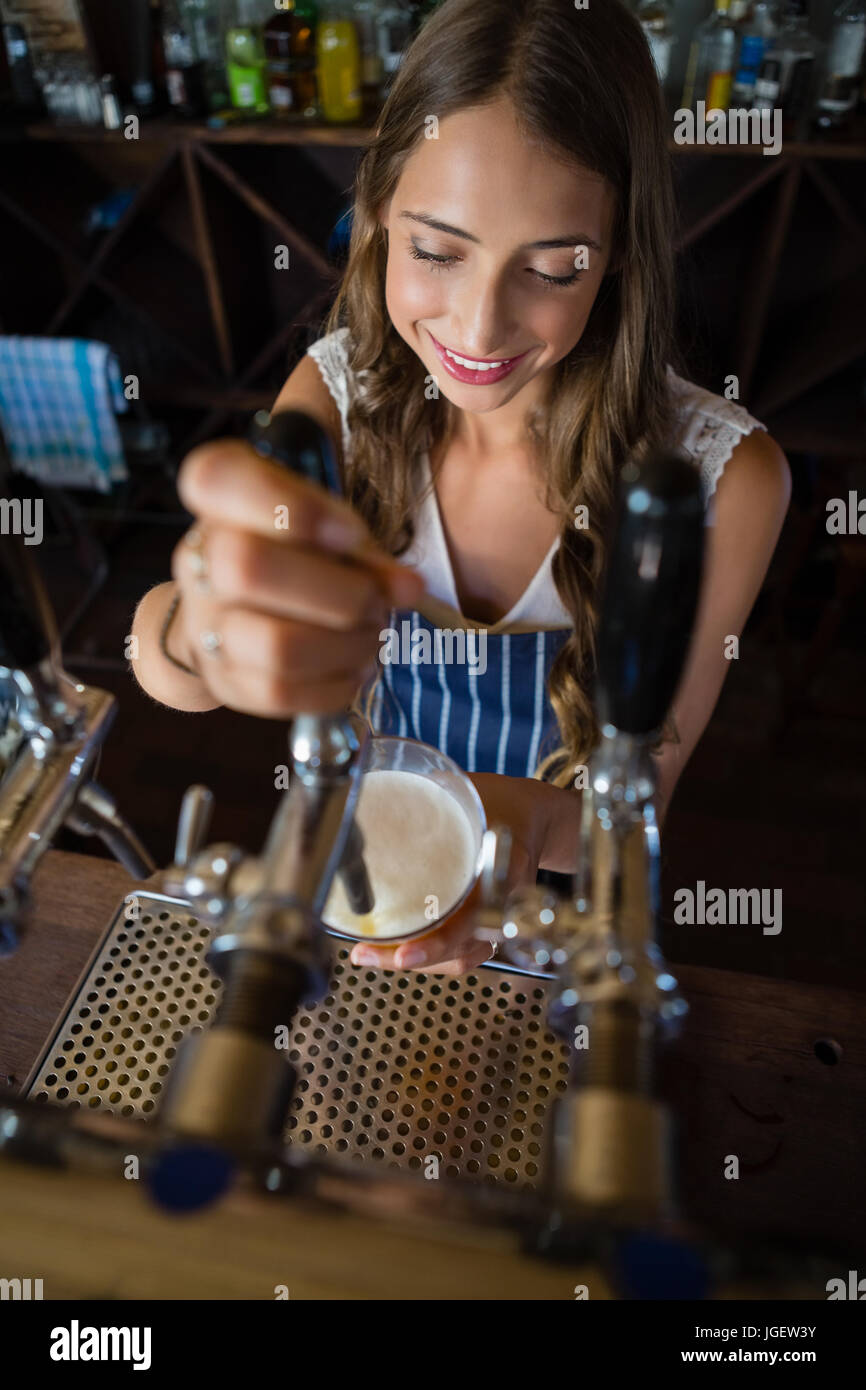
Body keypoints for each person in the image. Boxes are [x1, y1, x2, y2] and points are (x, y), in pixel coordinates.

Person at [131, 0, 790, 975]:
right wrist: (204, 629)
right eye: (436, 251)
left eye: (552, 269)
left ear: (615, 259)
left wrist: (504, 832)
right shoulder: (339, 398)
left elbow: (633, 804)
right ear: (379, 216)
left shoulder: (719, 477)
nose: (479, 333)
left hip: (541, 914)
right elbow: (159, 663)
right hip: (369, 868)